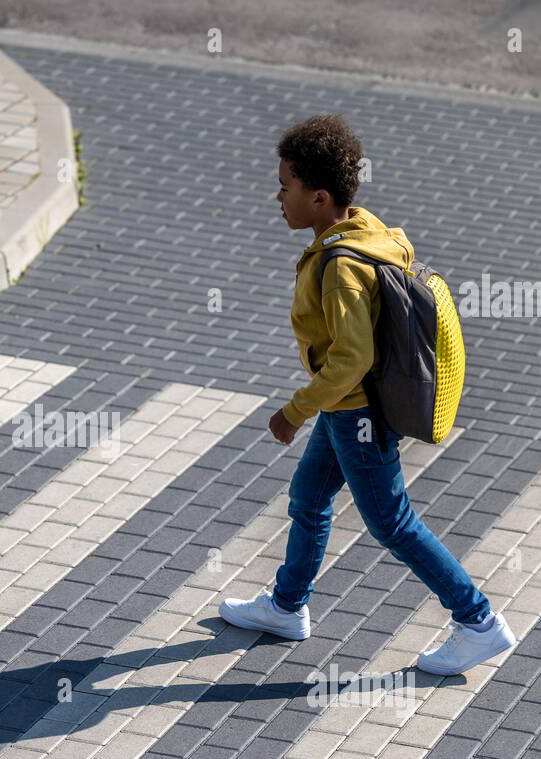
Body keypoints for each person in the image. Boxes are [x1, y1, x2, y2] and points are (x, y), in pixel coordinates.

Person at [217, 114, 515, 676]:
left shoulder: (339, 268)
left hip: (355, 411)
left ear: (319, 196)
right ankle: (287, 606)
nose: (277, 196)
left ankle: (478, 622)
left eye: (286, 187)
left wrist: (293, 412)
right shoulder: (360, 228)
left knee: (392, 524)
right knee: (308, 497)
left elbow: (351, 359)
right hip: (346, 408)